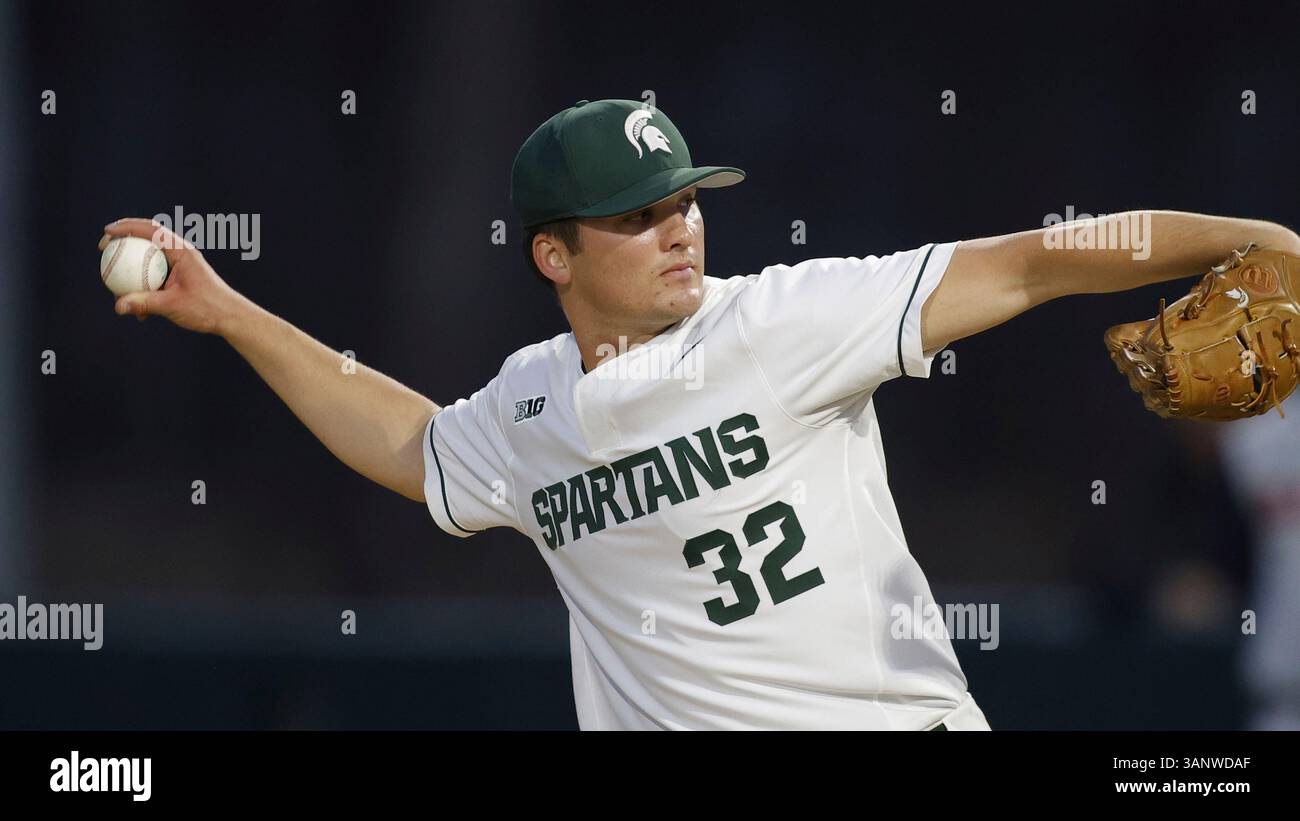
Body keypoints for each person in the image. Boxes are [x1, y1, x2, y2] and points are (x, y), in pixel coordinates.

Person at [102, 98, 1300, 730]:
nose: (677, 226)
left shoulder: (782, 320)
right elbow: (416, 448)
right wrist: (232, 313)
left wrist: (1253, 240)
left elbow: (1038, 259)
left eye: (684, 198)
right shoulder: (528, 408)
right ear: (553, 256)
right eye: (636, 214)